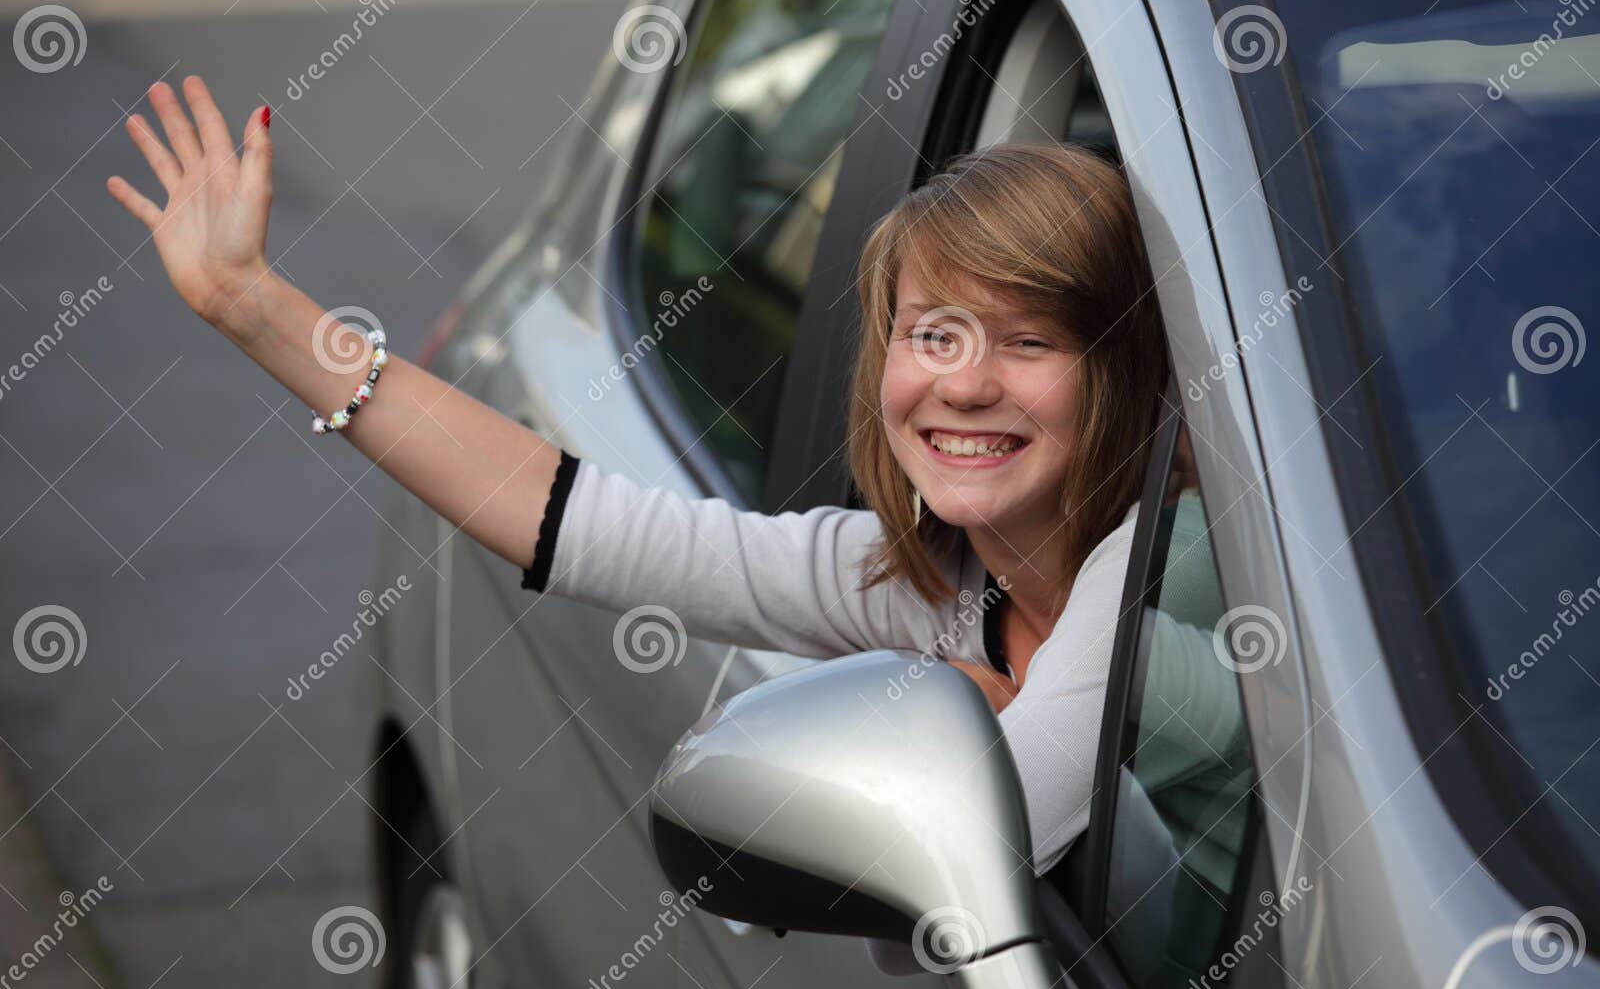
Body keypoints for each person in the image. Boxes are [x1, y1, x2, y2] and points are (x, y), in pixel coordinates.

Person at [104, 75, 1171, 888]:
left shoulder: (1167, 579)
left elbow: (978, 848)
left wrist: (952, 717)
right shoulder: (924, 579)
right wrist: (255, 307)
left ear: (1122, 369)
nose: (965, 384)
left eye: (1030, 340)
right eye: (931, 333)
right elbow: (579, 521)